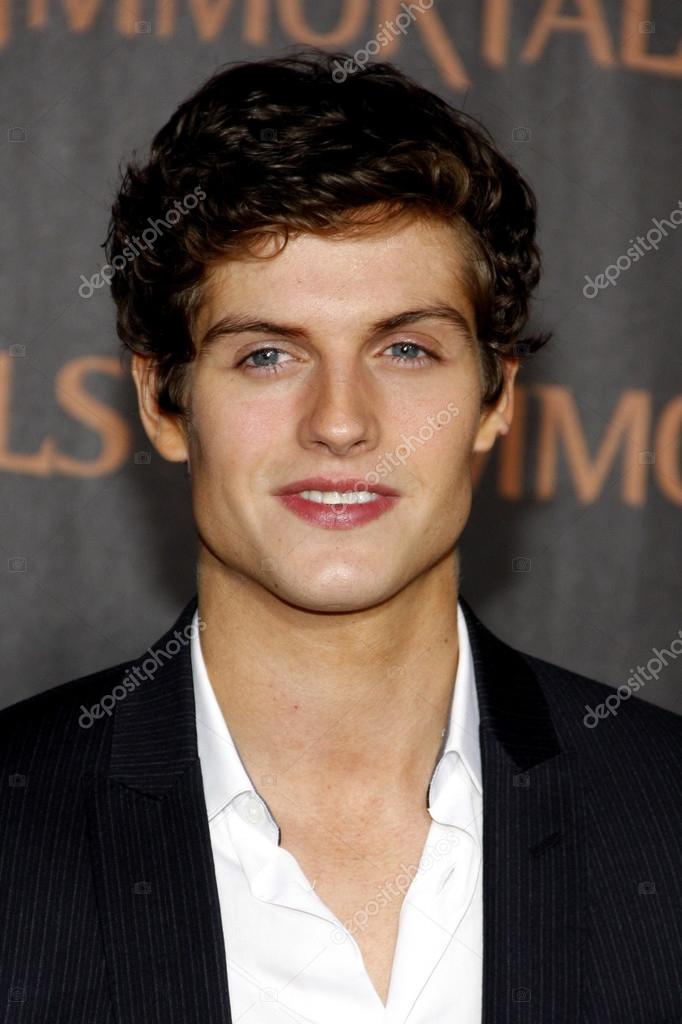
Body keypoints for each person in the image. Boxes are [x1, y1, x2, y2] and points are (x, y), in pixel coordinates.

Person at [1, 48, 680, 1024]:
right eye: (267, 355)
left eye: (405, 348)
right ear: (162, 401)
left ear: (495, 397)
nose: (340, 422)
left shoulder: (663, 813)